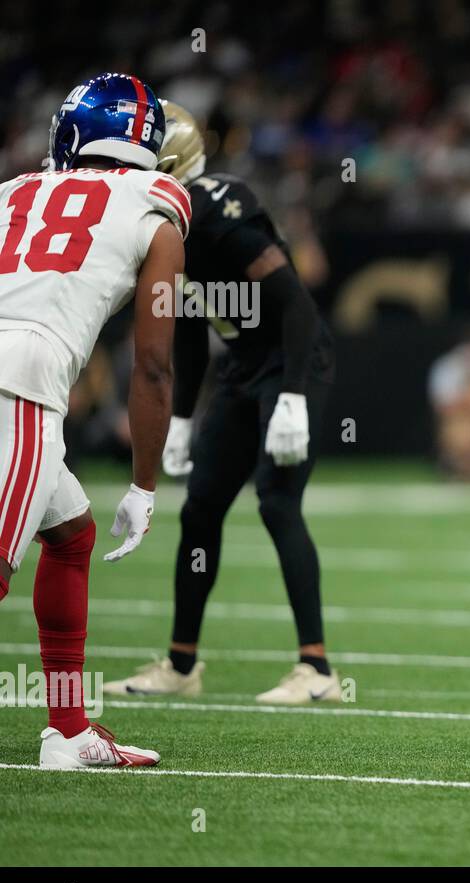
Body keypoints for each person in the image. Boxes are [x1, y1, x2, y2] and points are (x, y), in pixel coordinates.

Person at [104, 101, 339, 703]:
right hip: (240, 367)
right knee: (201, 507)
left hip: (291, 360)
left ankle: (317, 670)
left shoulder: (219, 207)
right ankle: (182, 665)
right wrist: (181, 415)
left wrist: (291, 397)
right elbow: (188, 325)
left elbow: (295, 306)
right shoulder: (166, 229)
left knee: (276, 502)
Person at [0, 72, 187, 766]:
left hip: (17, 370)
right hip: (19, 377)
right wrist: (144, 485)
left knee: (71, 534)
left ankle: (70, 732)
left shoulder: (14, 191)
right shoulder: (157, 209)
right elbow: (154, 364)